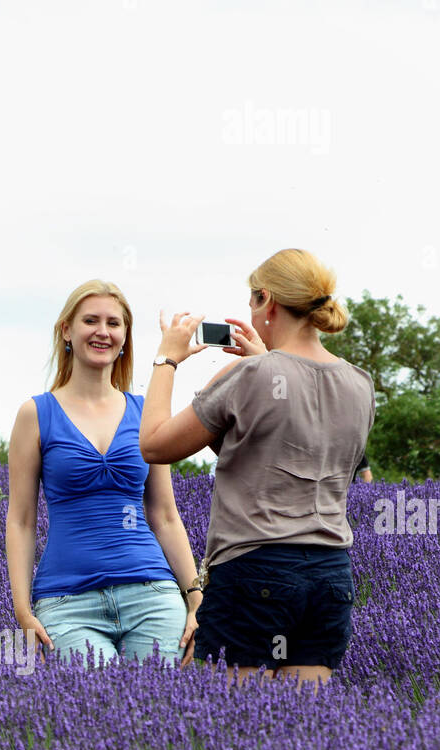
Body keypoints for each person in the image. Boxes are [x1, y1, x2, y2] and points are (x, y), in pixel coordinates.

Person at [139, 248, 375, 689]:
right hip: (330, 577)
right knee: (304, 730)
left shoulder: (251, 376)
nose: (250, 309)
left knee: (234, 725)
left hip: (256, 572)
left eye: (251, 300)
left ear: (266, 299)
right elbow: (260, 453)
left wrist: (166, 360)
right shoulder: (359, 384)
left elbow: (154, 445)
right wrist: (263, 365)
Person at [5, 279, 204, 669]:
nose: (102, 332)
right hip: (66, 601)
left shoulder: (144, 411)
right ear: (66, 330)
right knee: (92, 719)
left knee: (155, 714)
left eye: (114, 323)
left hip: (152, 593)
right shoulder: (36, 414)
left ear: (125, 336)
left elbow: (164, 515)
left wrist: (195, 597)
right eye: (90, 321)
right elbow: (22, 519)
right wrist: (22, 610)